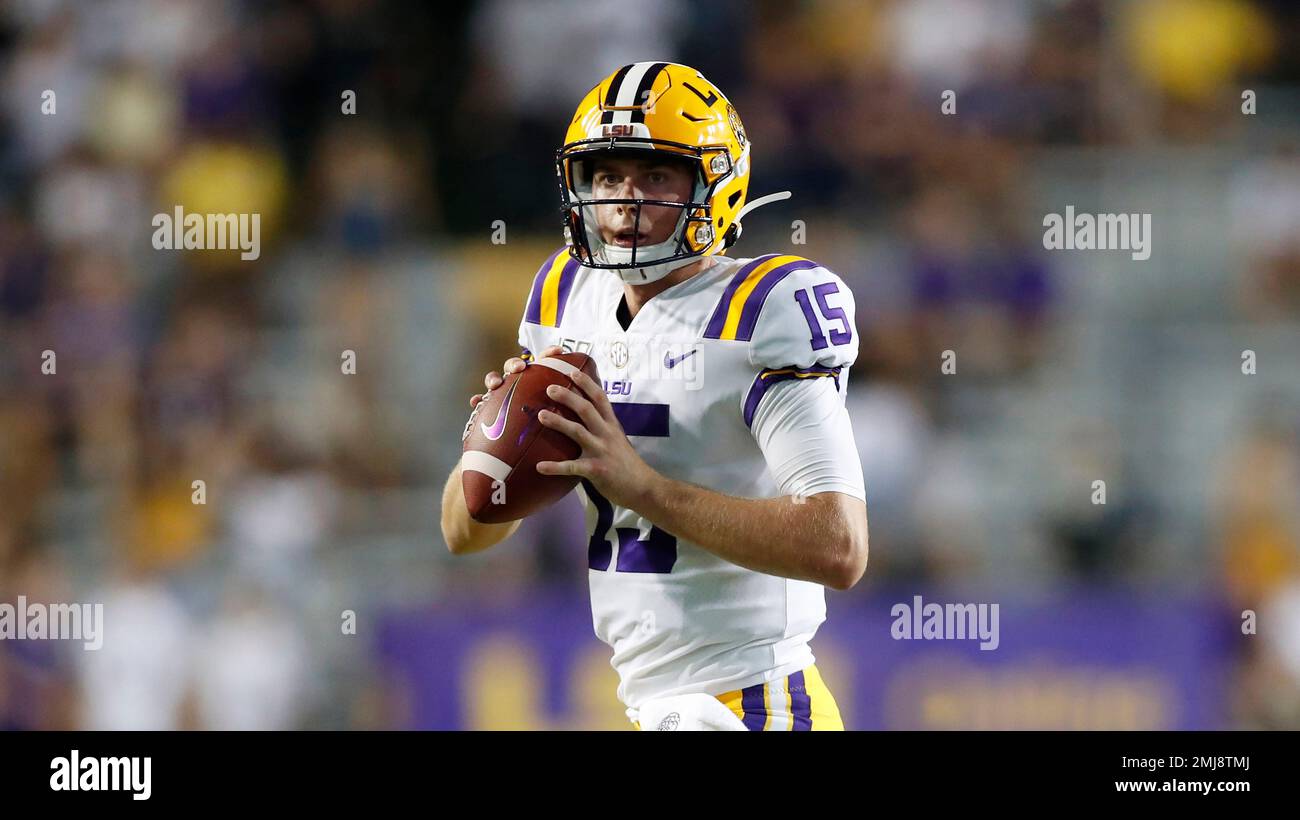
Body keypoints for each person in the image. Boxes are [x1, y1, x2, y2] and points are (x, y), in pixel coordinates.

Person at [441, 62, 868, 730]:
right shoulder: (566, 295)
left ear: (715, 184)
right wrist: (500, 443)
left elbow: (839, 547)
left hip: (758, 702)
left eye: (656, 176)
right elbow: (462, 533)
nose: (626, 199)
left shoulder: (760, 309)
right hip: (653, 705)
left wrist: (642, 487)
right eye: (607, 176)